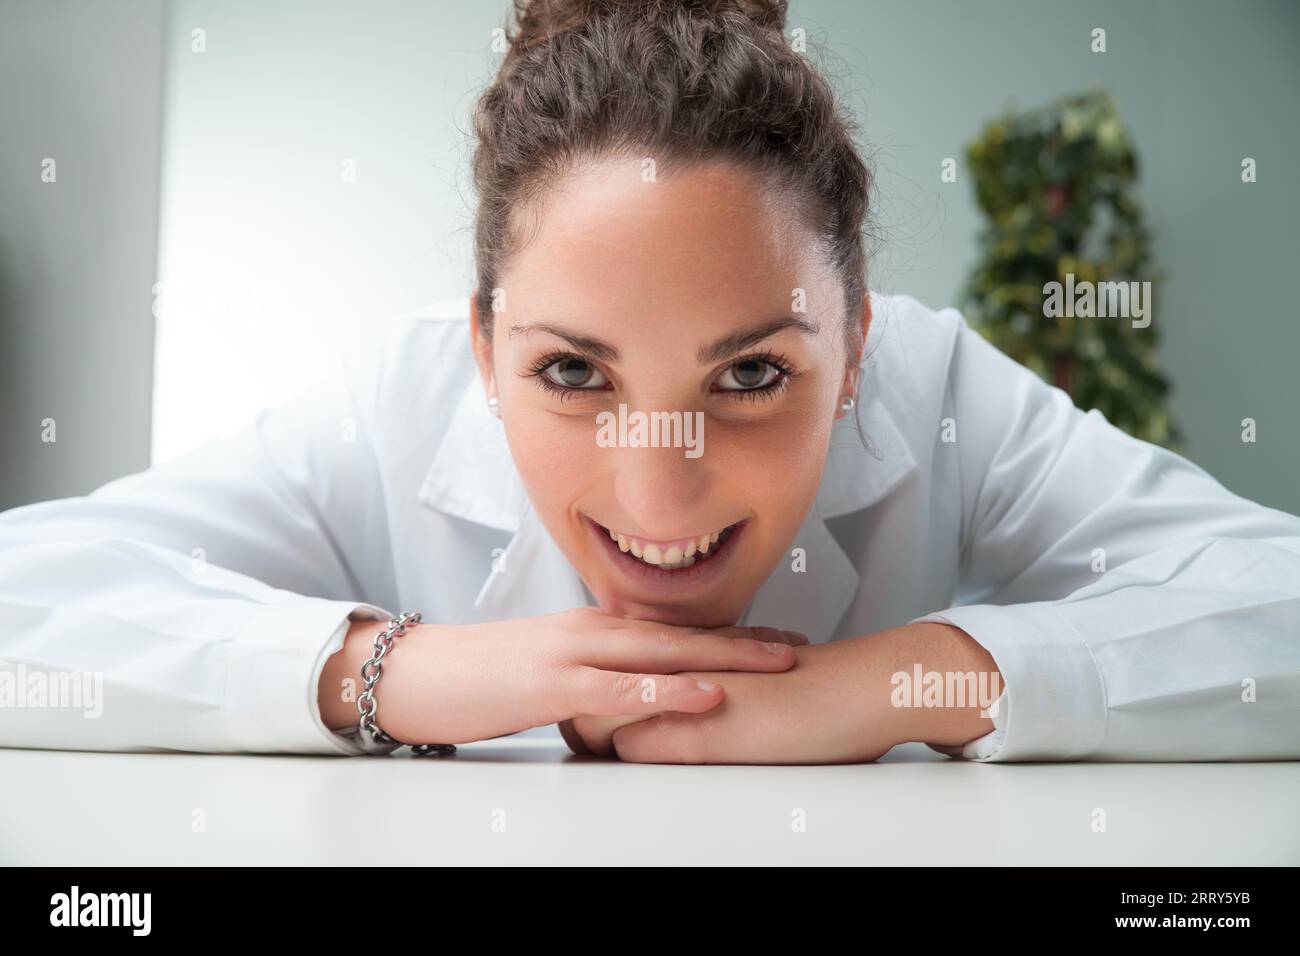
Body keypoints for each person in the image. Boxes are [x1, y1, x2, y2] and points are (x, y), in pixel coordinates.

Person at [2, 0, 1297, 764]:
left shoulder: (937, 382)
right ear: (482, 350)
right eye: (570, 371)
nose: (660, 500)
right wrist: (396, 673)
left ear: (855, 347)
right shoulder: (390, 405)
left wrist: (893, 687)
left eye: (750, 374)